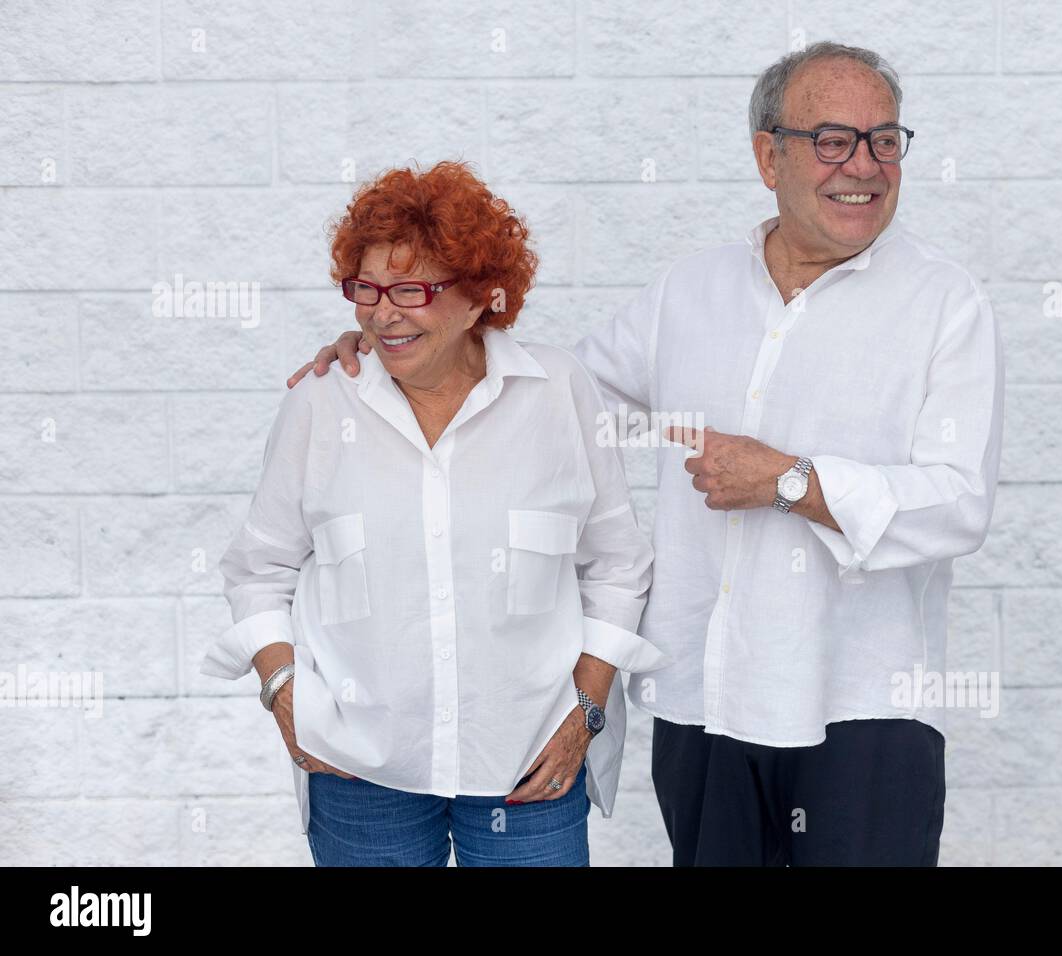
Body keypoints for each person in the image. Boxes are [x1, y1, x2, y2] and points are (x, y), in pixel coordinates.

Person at [290, 42, 1004, 866]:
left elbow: (959, 504)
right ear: (768, 155)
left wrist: (790, 482)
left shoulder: (946, 303)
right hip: (704, 701)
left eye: (885, 139)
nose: (866, 165)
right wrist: (402, 336)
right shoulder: (689, 292)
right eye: (834, 139)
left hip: (865, 710)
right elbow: (550, 391)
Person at [201, 160, 668, 866]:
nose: (383, 313)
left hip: (528, 761)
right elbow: (259, 567)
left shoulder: (558, 393)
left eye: (411, 290)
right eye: (366, 289)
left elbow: (617, 563)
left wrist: (585, 712)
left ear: (481, 296)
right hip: (360, 768)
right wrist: (283, 693)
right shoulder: (321, 403)